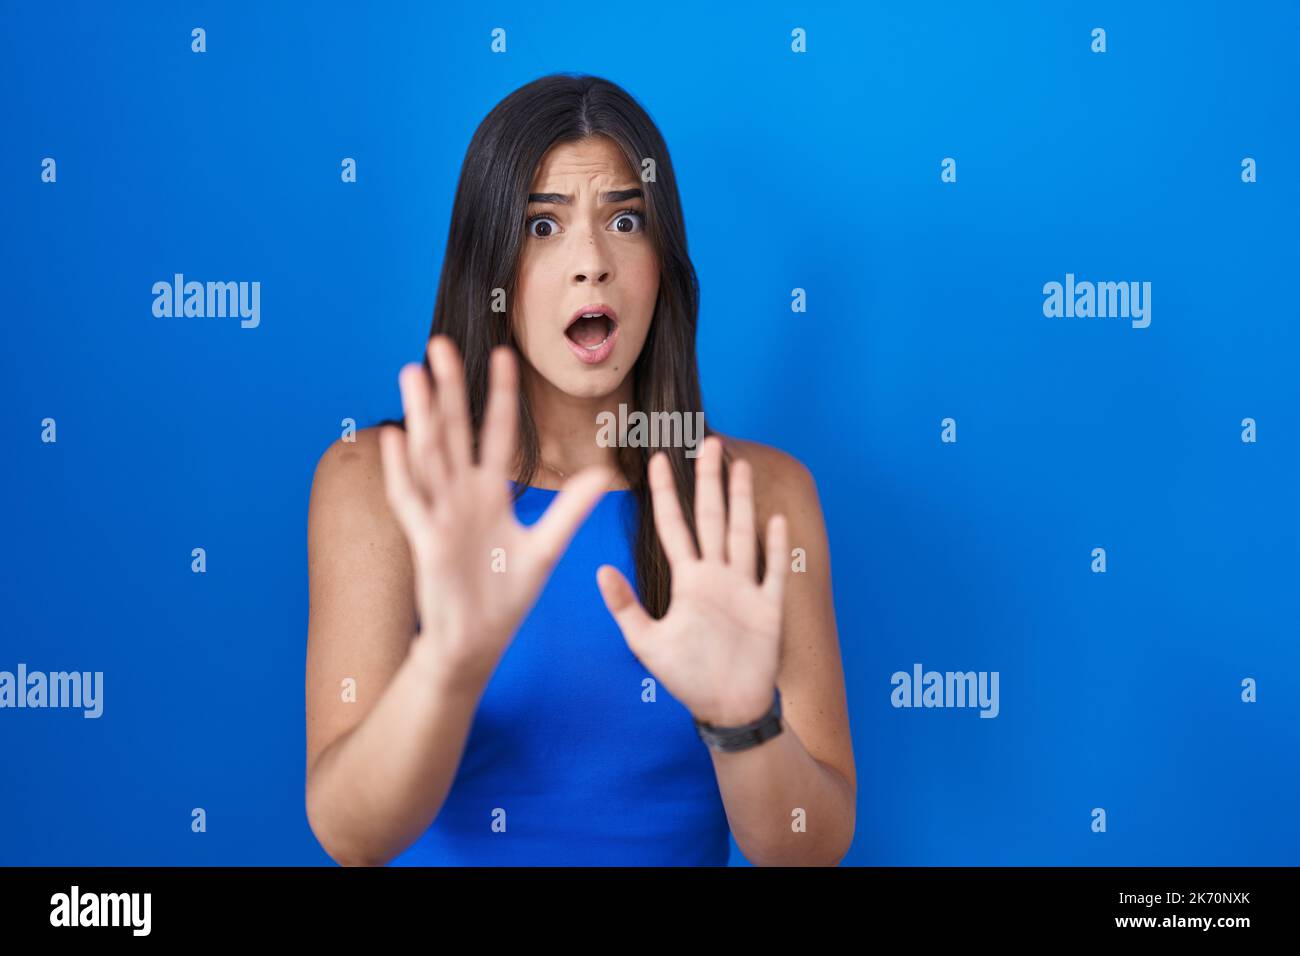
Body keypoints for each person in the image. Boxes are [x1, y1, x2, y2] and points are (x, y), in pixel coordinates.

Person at [304, 73, 855, 865]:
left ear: (663, 261)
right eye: (541, 227)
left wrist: (743, 722)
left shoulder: (759, 495)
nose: (591, 262)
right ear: (489, 264)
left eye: (626, 220)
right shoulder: (377, 482)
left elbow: (812, 845)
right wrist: (448, 666)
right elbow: (351, 834)